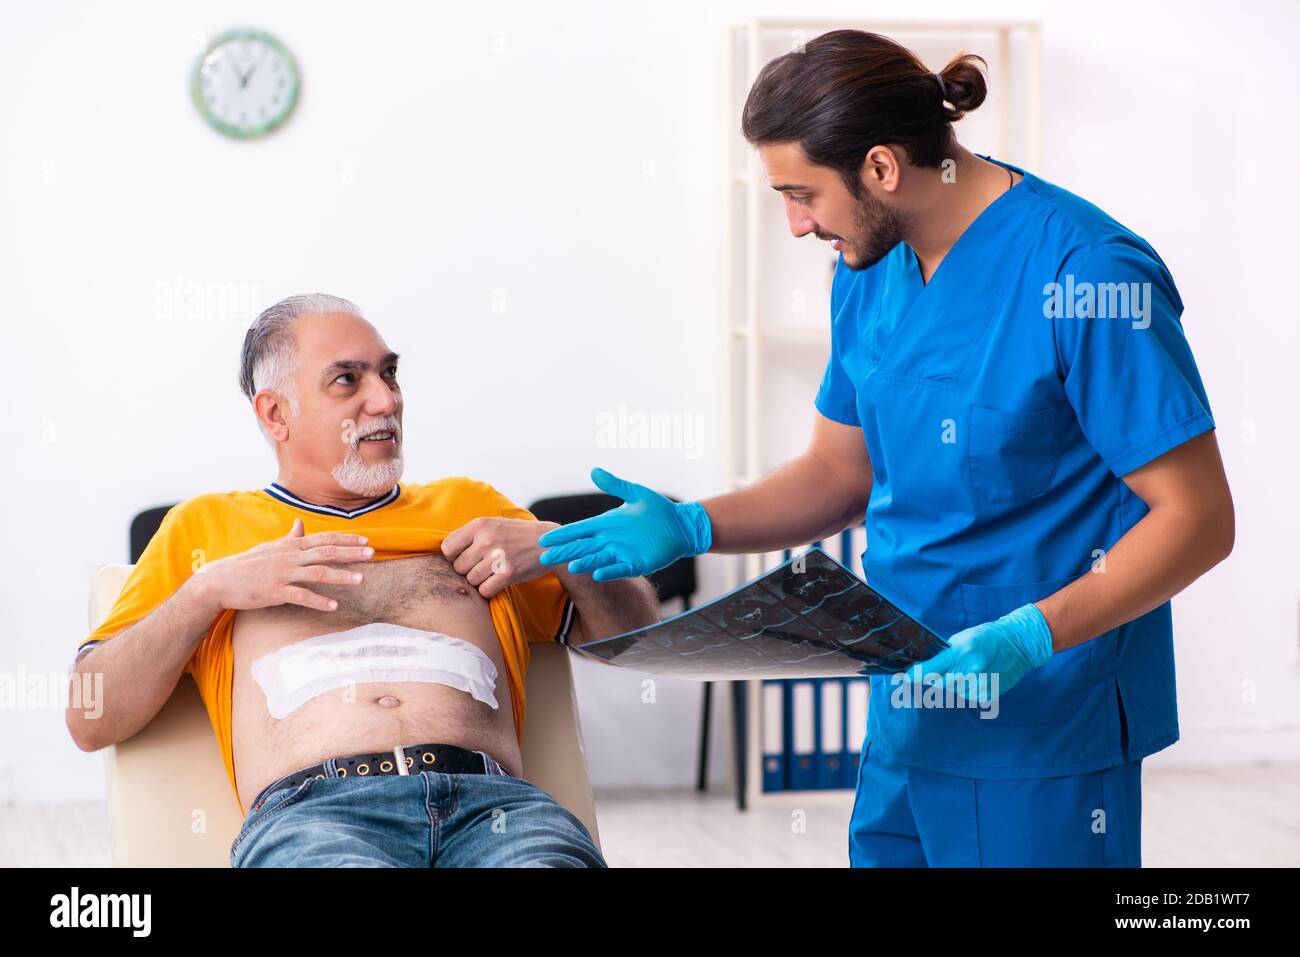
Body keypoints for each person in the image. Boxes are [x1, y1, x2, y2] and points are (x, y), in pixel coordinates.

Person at [538, 30, 1234, 867]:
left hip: (1041, 720)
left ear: (879, 167)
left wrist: (1028, 636)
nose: (796, 225)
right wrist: (693, 524)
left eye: (803, 194)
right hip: (908, 700)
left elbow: (1197, 519)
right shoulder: (866, 268)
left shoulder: (1089, 274)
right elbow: (840, 473)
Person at [69, 293, 659, 867]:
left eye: (390, 374)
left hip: (500, 812)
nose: (384, 401)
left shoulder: (475, 508)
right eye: (347, 380)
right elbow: (90, 719)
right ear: (276, 414)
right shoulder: (205, 529)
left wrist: (561, 548)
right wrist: (206, 593)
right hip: (315, 817)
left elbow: (639, 646)